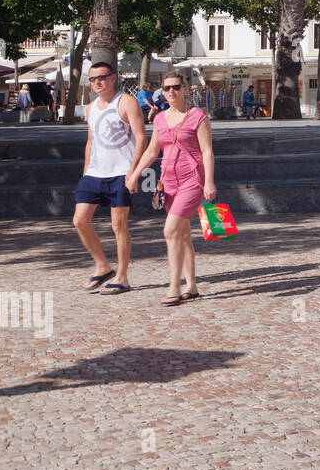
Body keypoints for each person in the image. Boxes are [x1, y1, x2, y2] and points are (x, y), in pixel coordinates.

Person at [126, 71, 216, 305]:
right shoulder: (159, 118)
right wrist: (135, 174)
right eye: (166, 88)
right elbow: (152, 151)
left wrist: (209, 181)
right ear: (162, 92)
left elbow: (207, 151)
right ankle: (192, 285)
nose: (171, 92)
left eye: (176, 87)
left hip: (192, 180)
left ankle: (174, 286)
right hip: (168, 183)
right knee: (183, 235)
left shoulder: (197, 115)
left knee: (170, 231)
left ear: (185, 88)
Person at [73, 61, 146, 295]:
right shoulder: (91, 107)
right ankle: (103, 266)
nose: (97, 82)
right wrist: (85, 171)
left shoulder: (125, 102)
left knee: (119, 226)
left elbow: (141, 138)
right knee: (79, 220)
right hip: (94, 173)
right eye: (93, 79)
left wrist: (133, 172)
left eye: (102, 77)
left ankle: (122, 276)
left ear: (113, 77)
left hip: (120, 173)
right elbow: (90, 141)